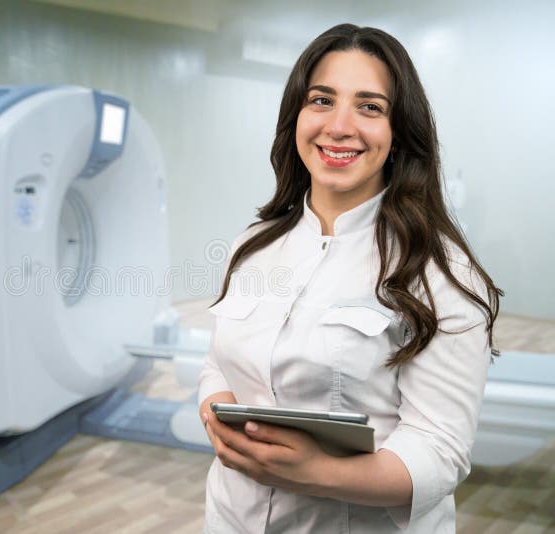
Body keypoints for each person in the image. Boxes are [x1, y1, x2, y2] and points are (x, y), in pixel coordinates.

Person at [198, 23, 503, 533]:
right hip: (231, 518)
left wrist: (315, 472)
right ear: (296, 114)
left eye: (370, 106)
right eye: (321, 100)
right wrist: (220, 414)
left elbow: (440, 452)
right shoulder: (253, 245)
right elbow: (218, 366)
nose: (339, 126)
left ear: (399, 131)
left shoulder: (438, 269)